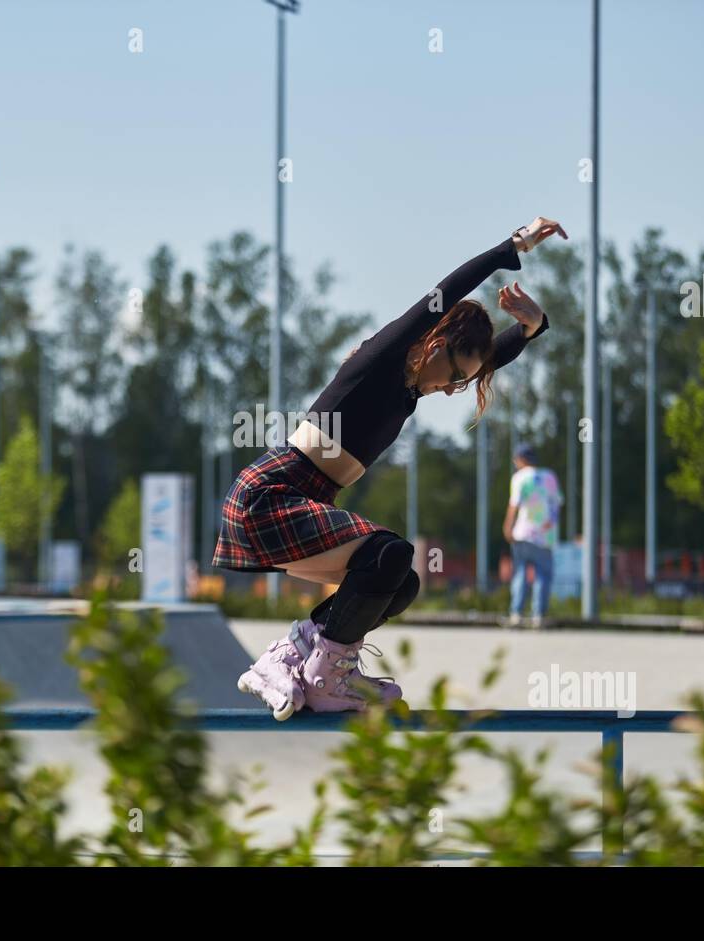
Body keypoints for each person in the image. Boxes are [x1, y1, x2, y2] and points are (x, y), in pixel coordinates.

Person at [212, 216, 567, 719]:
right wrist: (514, 246)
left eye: (462, 383)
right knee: (390, 552)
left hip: (299, 503)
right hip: (270, 495)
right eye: (452, 374)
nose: (450, 388)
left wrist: (532, 327)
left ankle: (294, 655)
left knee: (399, 583)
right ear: (433, 344)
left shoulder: (409, 392)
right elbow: (446, 290)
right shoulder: (381, 359)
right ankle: (322, 674)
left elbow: (489, 361)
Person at [503, 442, 562, 627]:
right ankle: (538, 616)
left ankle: (517, 614)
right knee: (543, 576)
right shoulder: (550, 476)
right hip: (546, 536)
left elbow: (514, 504)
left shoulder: (520, 477)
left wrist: (507, 527)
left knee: (520, 573)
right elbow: (557, 504)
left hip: (523, 533)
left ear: (521, 459)